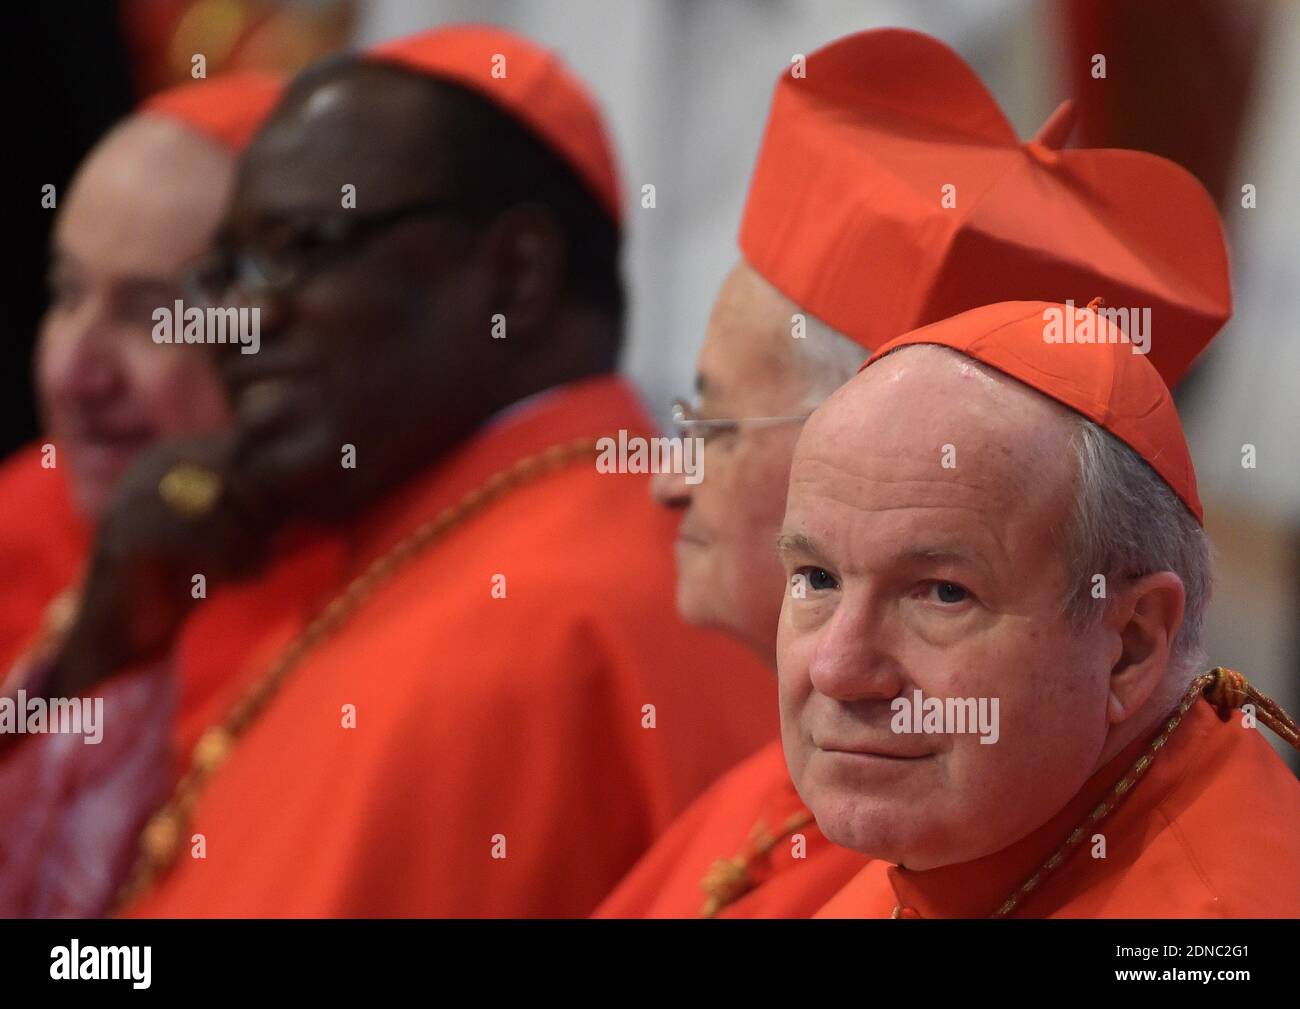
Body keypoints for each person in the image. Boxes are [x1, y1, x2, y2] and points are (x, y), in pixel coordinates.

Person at [31, 25, 774, 917]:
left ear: (516, 273)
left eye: (299, 248)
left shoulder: (563, 611)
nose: (242, 319)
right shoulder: (412, 547)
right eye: (226, 273)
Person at [596, 27, 1231, 918]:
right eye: (817, 575)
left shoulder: (944, 809)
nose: (666, 477)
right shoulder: (852, 784)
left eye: (939, 590)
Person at [778, 301, 1300, 918]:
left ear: (1129, 646)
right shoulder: (971, 841)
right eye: (817, 578)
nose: (837, 671)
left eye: (945, 593)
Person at [0, 71, 283, 917]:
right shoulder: (20, 512)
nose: (72, 371)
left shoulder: (352, 585)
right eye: (68, 293)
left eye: (150, 313)